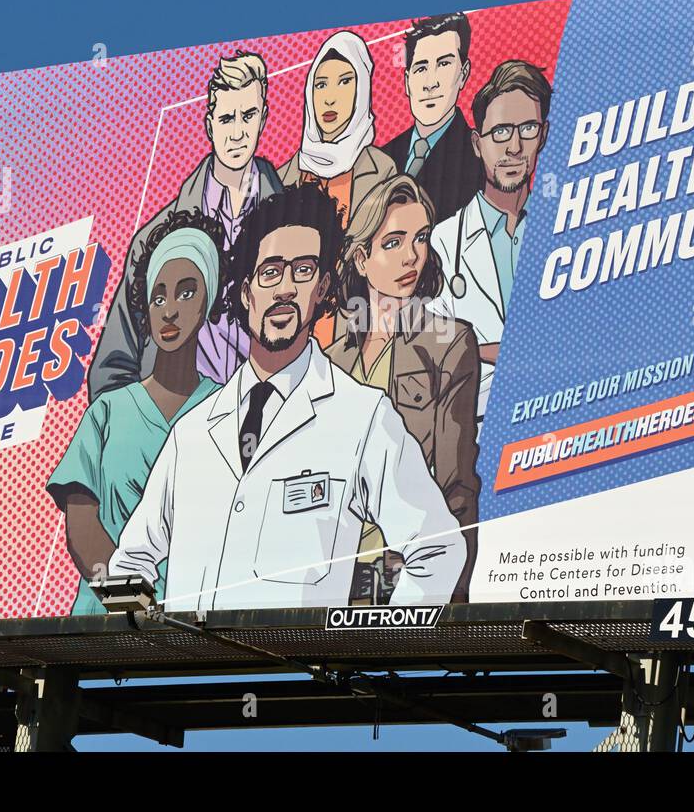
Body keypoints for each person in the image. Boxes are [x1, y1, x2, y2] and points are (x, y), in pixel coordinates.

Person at [108, 183, 465, 611]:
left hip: (302, 676)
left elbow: (439, 548)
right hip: (197, 676)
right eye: (270, 272)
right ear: (245, 292)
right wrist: (154, 657)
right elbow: (129, 564)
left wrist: (374, 644)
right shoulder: (192, 434)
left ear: (323, 288)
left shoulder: (362, 418)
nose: (284, 289)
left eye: (302, 271)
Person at [47, 211, 225, 615]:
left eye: (186, 292)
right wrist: (132, 605)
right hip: (103, 631)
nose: (170, 310)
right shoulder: (107, 412)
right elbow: (82, 528)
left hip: (198, 631)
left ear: (209, 301)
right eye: (158, 297)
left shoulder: (227, 409)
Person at [89, 51, 283, 400]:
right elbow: (112, 366)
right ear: (210, 125)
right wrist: (141, 434)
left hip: (267, 425)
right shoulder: (157, 240)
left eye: (248, 116)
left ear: (264, 118)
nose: (237, 132)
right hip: (181, 431)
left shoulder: (294, 228)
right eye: (226, 119)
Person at [326, 175, 481, 602]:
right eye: (393, 242)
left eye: (421, 238)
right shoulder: (331, 362)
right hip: (329, 583)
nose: (411, 255)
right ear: (361, 258)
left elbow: (458, 487)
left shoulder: (448, 344)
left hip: (405, 582)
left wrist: (452, 603)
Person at [429, 60, 553, 420]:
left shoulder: (564, 229)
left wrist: (489, 350)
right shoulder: (442, 243)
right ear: (476, 143)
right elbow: (437, 355)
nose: (514, 146)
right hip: (477, 437)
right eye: (500, 132)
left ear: (543, 135)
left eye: (527, 128)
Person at [278, 30, 396, 347]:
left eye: (345, 81)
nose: (329, 97)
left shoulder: (381, 171)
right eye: (320, 84)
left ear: (363, 88)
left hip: (352, 337)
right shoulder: (285, 177)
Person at [380, 13, 483, 224]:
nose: (430, 83)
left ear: (463, 73)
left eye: (444, 64)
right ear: (407, 82)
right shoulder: (381, 158)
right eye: (421, 68)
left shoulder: (480, 158)